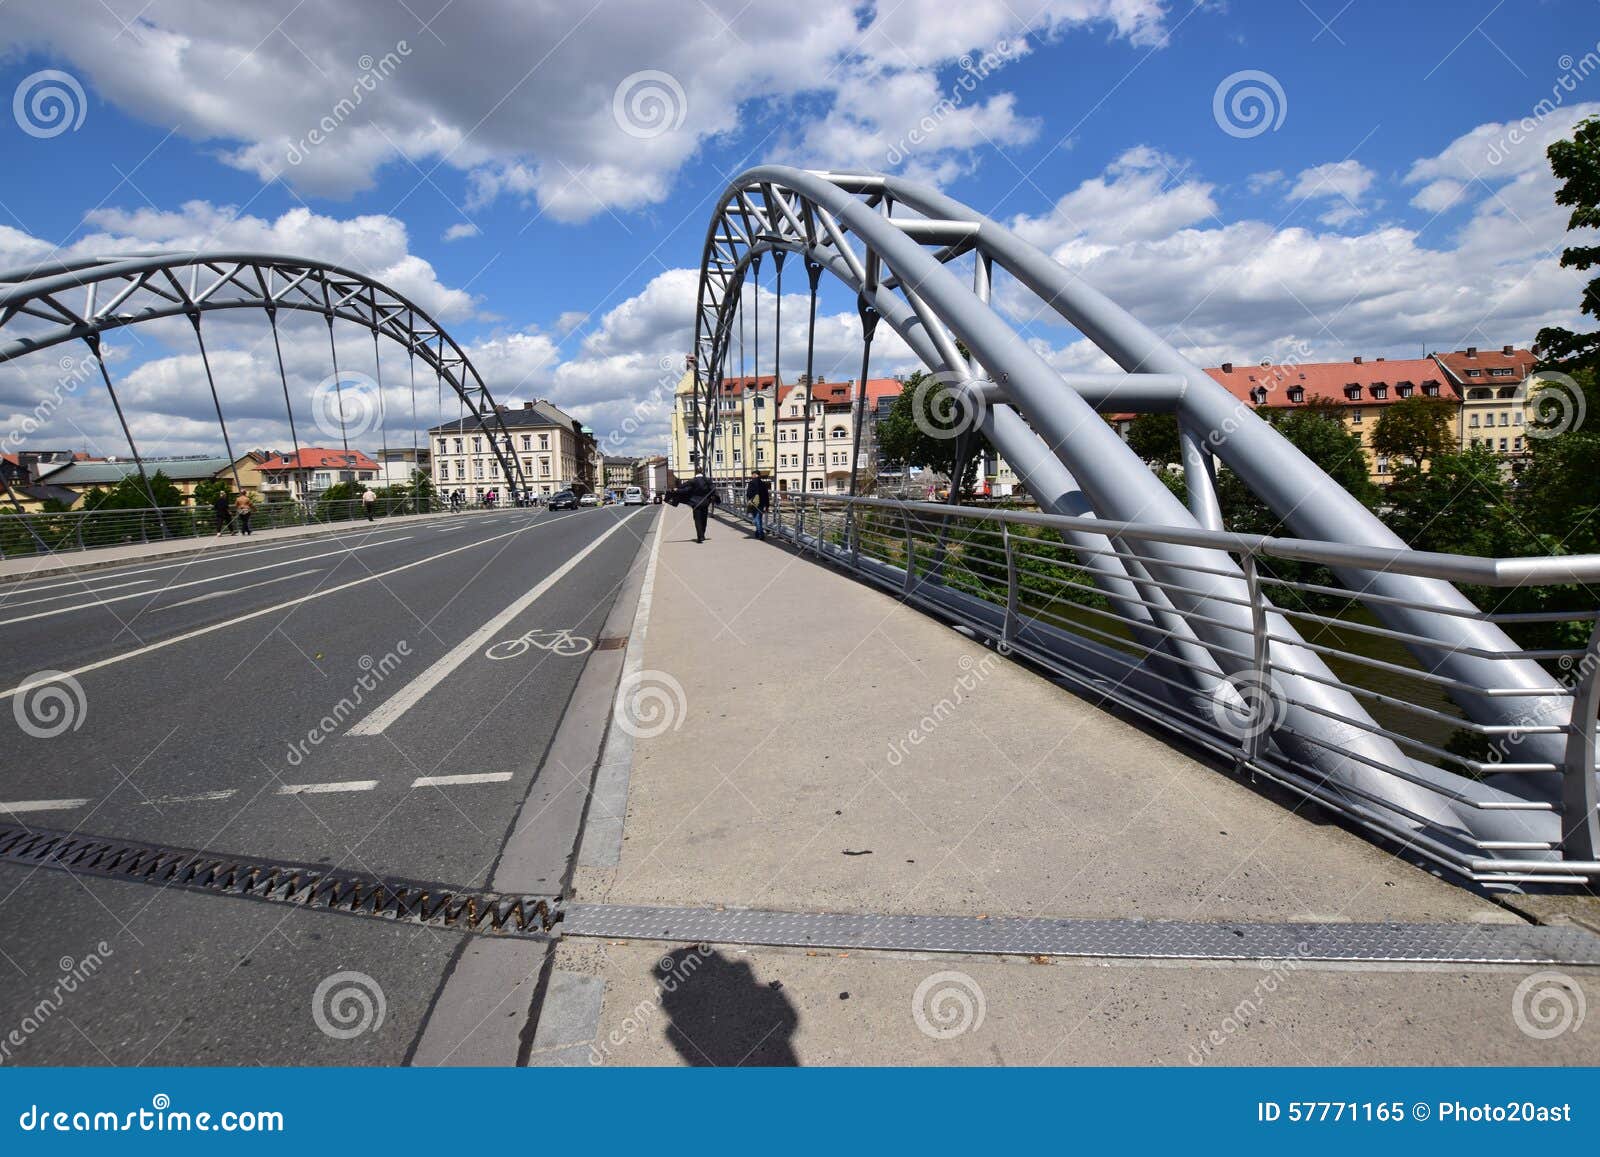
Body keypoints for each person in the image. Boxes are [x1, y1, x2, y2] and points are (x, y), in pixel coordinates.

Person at [673, 470, 719, 543]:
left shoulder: (692, 481)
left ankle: (700, 537)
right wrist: (714, 498)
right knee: (704, 519)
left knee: (697, 520)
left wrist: (676, 489)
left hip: (695, 504)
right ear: (702, 472)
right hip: (705, 503)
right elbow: (713, 489)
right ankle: (703, 535)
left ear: (695, 473)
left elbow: (684, 488)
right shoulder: (707, 480)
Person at [744, 470, 771, 539]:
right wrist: (767, 505)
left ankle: (761, 534)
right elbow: (766, 495)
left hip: (754, 503)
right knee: (759, 518)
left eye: (752, 474)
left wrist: (749, 499)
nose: (752, 476)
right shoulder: (763, 483)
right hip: (762, 503)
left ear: (756, 475)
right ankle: (757, 532)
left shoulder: (751, 483)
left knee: (756, 519)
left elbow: (748, 494)